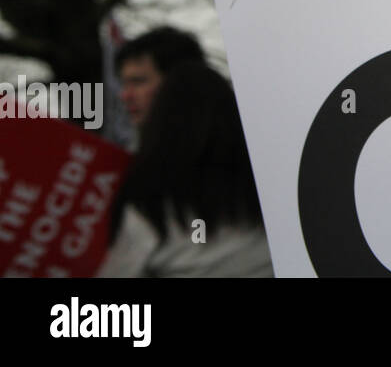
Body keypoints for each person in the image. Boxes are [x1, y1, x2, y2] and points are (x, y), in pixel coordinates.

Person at [98, 51, 272, 277]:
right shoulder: (271, 179)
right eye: (124, 84)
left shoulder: (144, 200)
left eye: (139, 81)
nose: (126, 95)